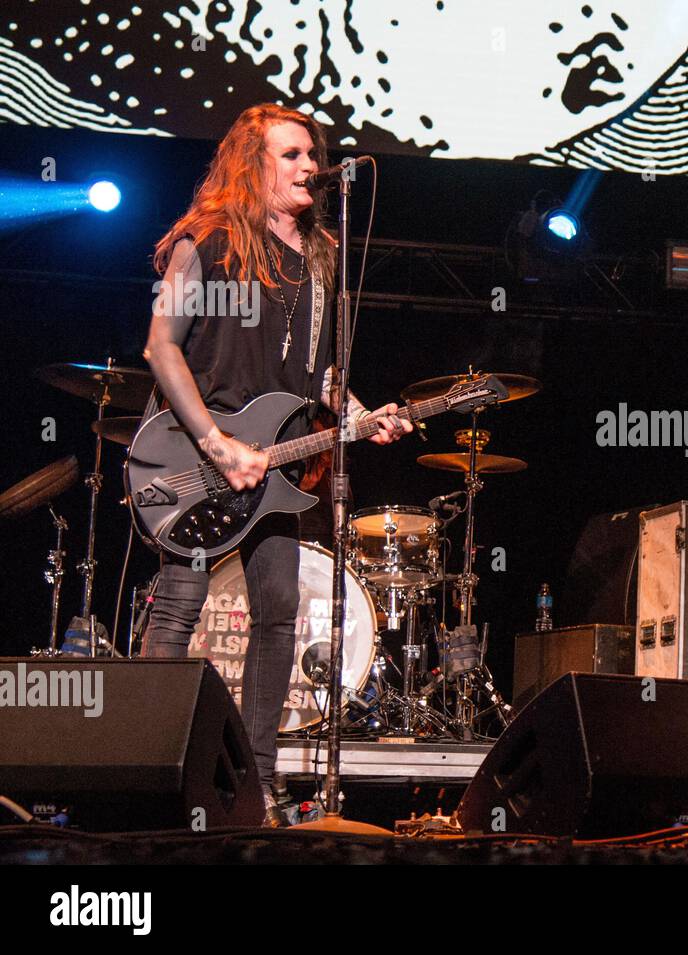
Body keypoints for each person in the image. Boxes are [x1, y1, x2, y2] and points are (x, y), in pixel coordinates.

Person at [140, 103, 412, 825]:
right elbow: (161, 346)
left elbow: (321, 376)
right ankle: (146, 771)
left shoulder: (322, 258)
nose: (308, 168)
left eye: (310, 155)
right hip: (198, 450)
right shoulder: (208, 238)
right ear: (250, 162)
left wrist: (361, 416)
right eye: (290, 154)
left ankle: (254, 784)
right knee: (178, 609)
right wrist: (217, 442)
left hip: (278, 468)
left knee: (280, 611)